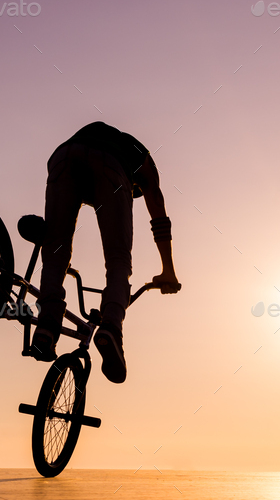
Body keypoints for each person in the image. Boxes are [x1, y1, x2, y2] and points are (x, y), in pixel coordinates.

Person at [31, 121, 181, 383]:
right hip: (110, 164)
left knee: (55, 248)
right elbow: (157, 207)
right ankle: (111, 327)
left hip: (63, 157)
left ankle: (46, 325)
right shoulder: (142, 159)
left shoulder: (111, 138)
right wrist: (168, 270)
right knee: (118, 258)